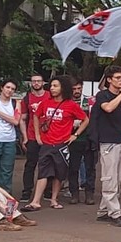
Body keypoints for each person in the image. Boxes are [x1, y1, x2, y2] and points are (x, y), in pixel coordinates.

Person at [23, 75, 88, 212]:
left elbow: (85, 119)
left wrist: (75, 135)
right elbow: (36, 116)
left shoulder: (71, 105)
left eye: (55, 86)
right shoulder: (45, 103)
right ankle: (35, 201)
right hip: (46, 143)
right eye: (51, 85)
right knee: (43, 172)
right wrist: (37, 135)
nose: (52, 88)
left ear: (63, 88)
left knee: (59, 173)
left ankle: (54, 199)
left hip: (62, 144)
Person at [92, 65, 121, 227]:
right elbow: (108, 108)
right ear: (109, 80)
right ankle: (115, 213)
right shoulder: (103, 95)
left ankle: (104, 211)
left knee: (117, 178)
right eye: (117, 78)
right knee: (109, 178)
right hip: (108, 142)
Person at [17, 74, 48, 200]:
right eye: (34, 81)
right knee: (30, 164)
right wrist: (25, 137)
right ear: (31, 83)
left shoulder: (50, 96)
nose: (36, 83)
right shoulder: (27, 98)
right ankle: (27, 191)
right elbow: (23, 119)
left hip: (48, 135)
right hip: (32, 135)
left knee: (47, 164)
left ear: (43, 82)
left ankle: (47, 191)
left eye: (38, 81)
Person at [67, 80, 97, 205]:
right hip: (73, 139)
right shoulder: (67, 102)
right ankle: (74, 193)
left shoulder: (89, 101)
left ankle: (89, 193)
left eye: (79, 88)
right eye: (74, 89)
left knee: (90, 167)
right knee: (73, 168)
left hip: (89, 139)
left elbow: (95, 118)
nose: (77, 91)